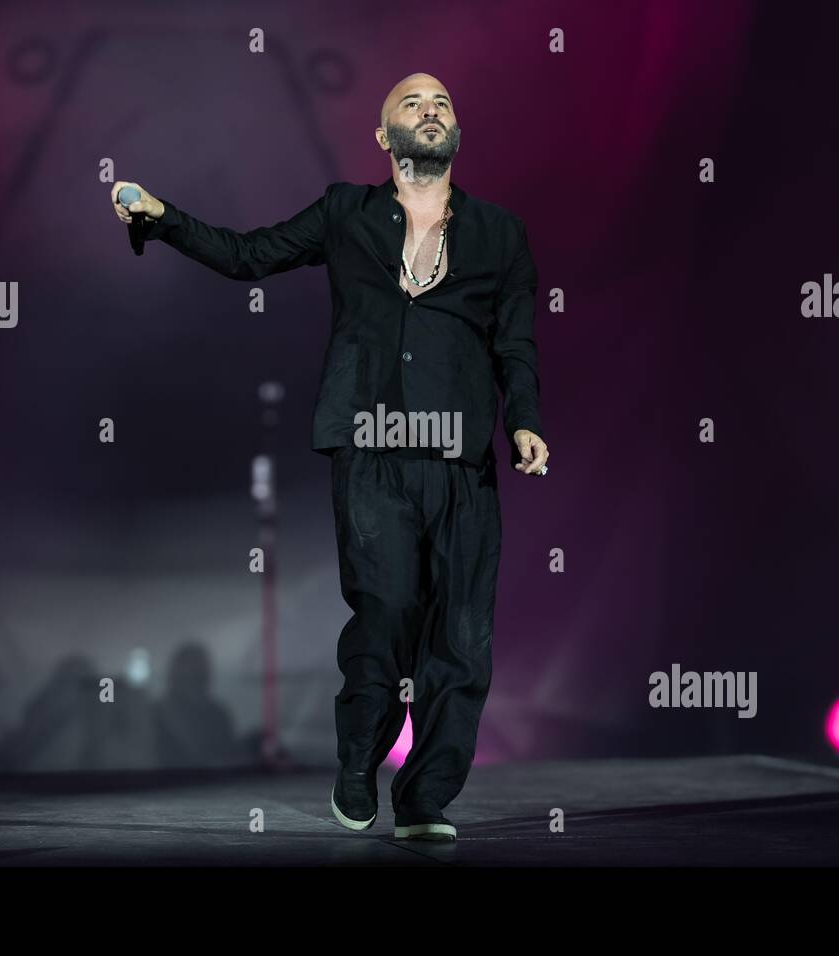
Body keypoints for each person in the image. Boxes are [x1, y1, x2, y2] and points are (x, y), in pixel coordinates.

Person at [110, 72, 549, 841]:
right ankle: (359, 757)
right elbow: (249, 255)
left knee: (462, 639)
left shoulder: (500, 234)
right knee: (384, 615)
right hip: (372, 448)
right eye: (412, 103)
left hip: (462, 463)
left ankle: (423, 797)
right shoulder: (347, 212)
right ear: (384, 138)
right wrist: (164, 219)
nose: (430, 109)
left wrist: (525, 424)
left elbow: (515, 343)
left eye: (443, 102)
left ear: (456, 133)